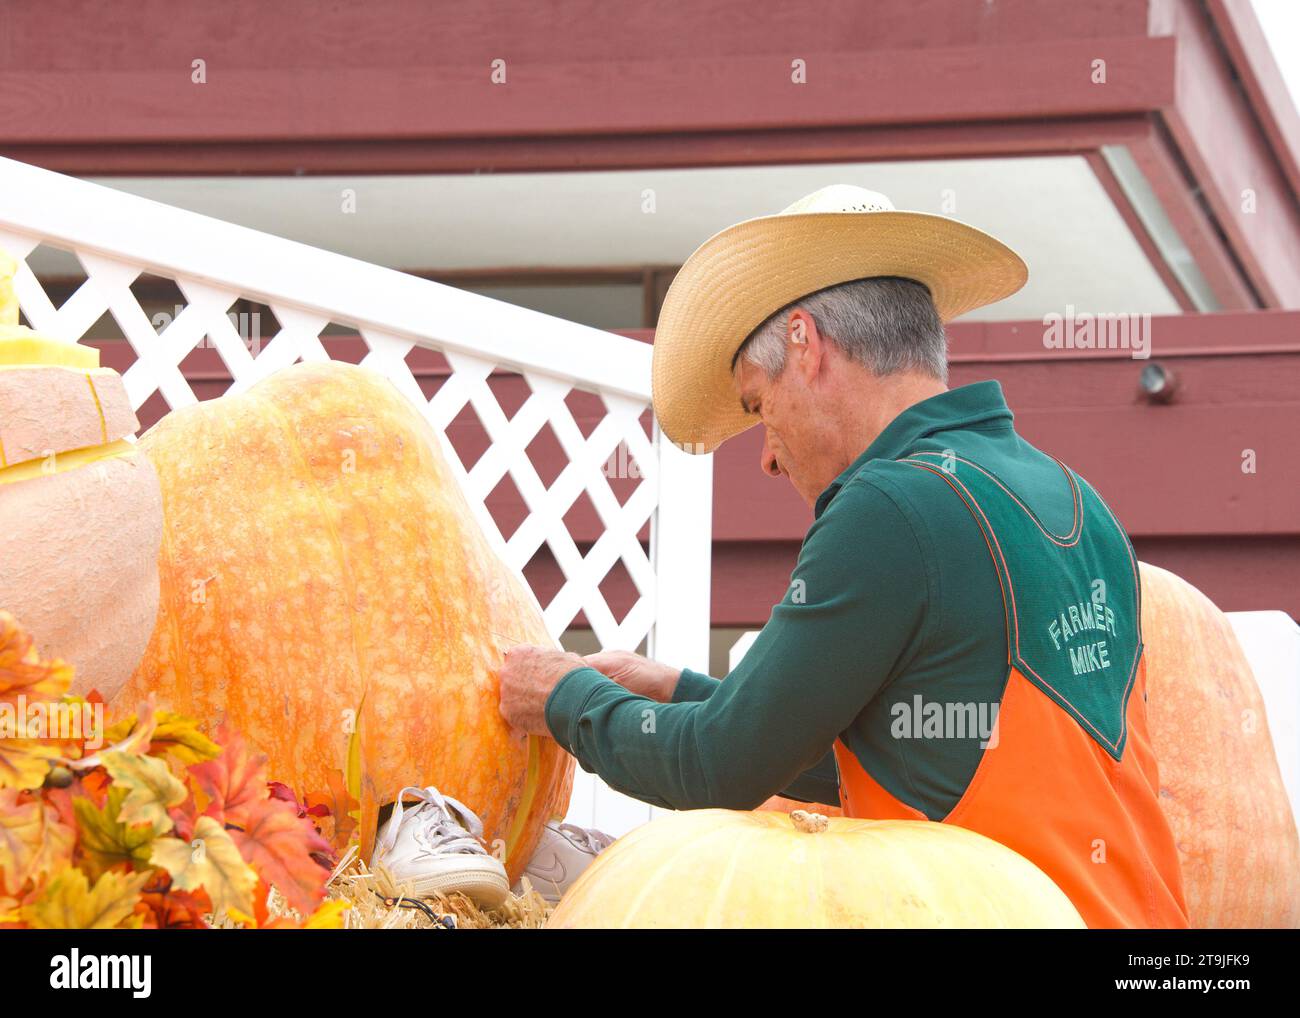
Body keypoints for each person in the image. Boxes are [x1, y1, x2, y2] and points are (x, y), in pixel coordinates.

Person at [495, 184, 1190, 928]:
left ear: (806, 342)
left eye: (758, 405)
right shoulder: (1074, 497)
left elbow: (721, 765)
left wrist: (564, 701)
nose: (764, 456)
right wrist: (681, 691)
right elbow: (924, 747)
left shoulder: (891, 507)